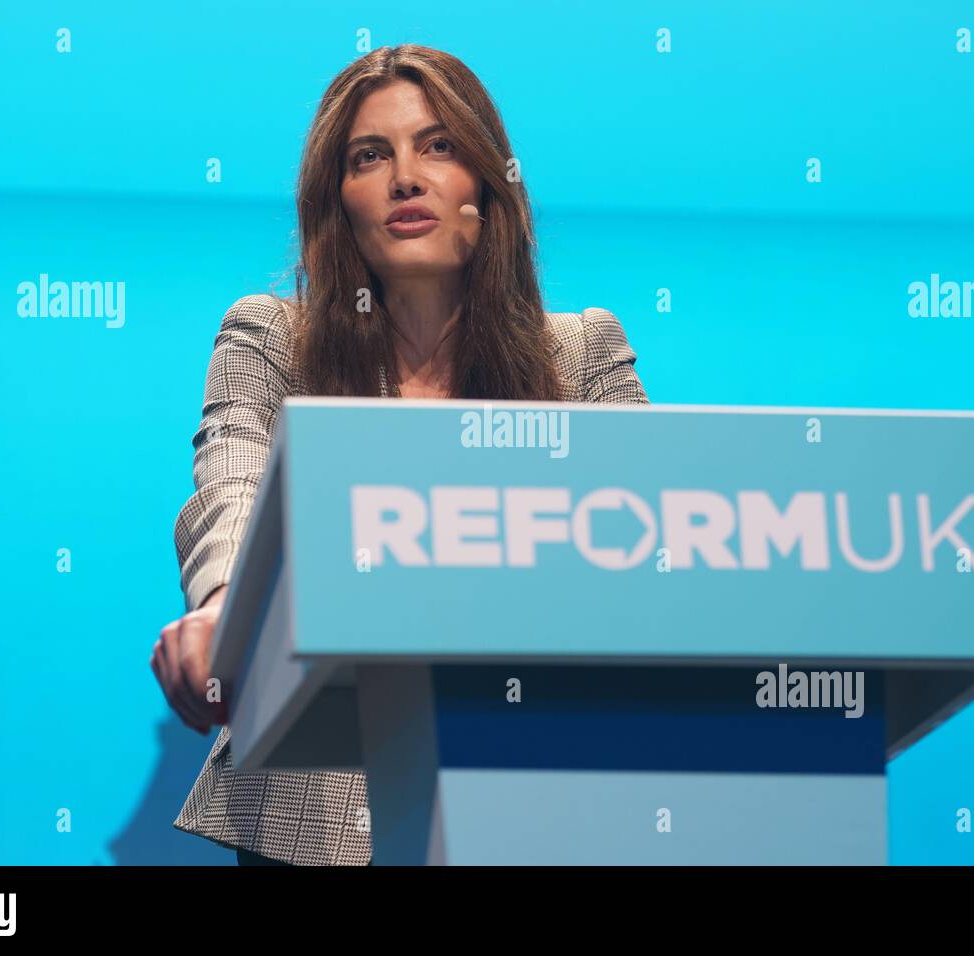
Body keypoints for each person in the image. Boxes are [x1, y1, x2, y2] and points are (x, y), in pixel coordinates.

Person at [151, 43, 648, 866]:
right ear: (338, 201)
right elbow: (232, 488)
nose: (405, 178)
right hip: (316, 801)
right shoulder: (275, 338)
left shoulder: (583, 353)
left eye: (439, 145)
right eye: (369, 156)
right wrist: (221, 615)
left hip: (533, 790)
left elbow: (651, 541)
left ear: (488, 185)